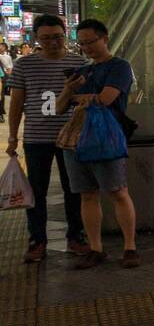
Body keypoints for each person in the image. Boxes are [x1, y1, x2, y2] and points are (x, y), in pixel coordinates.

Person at [55, 19, 139, 269]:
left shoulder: (120, 66)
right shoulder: (83, 71)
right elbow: (59, 108)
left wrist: (78, 98)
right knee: (87, 195)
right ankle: (95, 248)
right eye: (82, 43)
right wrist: (68, 90)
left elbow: (105, 98)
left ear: (105, 38)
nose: (87, 47)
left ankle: (130, 247)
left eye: (91, 41)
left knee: (118, 192)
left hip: (106, 139)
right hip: (76, 141)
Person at [5, 15, 89, 263]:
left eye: (57, 37)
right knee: (36, 190)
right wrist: (12, 136)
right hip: (36, 138)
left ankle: (76, 236)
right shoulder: (24, 65)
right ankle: (37, 240)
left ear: (65, 35)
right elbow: (17, 103)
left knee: (74, 188)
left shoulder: (79, 63)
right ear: (36, 38)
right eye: (46, 38)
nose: (53, 42)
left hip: (71, 137)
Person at [0, 42, 12, 123]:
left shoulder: (7, 57)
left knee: (1, 96)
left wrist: (8, 75)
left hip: (2, 78)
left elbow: (9, 67)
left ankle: (1, 113)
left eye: (2, 46)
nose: (1, 48)